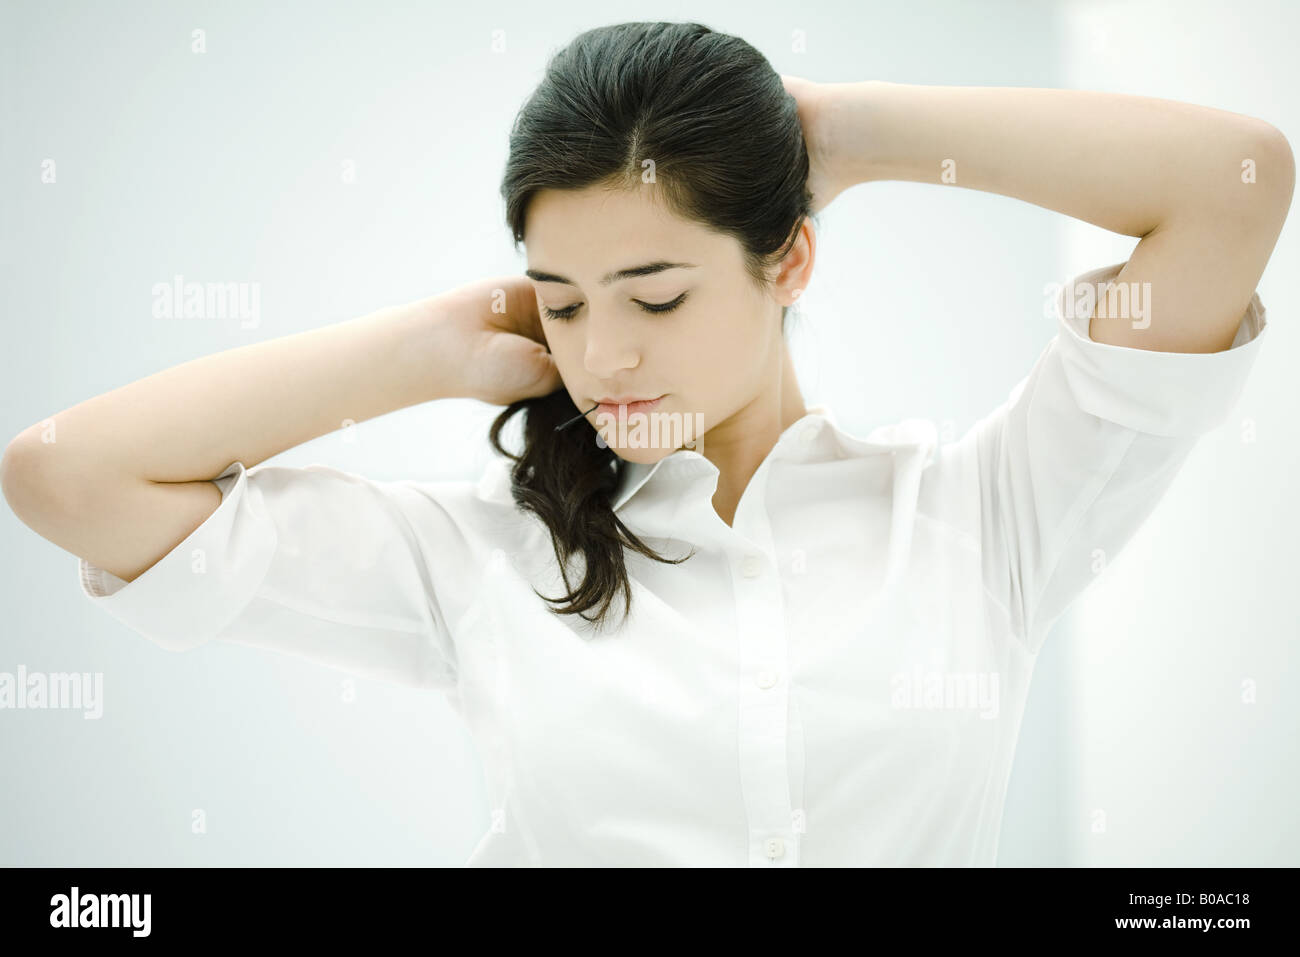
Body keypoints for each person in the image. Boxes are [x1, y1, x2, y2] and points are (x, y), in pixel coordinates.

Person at [1, 21, 1291, 867]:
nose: (602, 355)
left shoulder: (982, 519)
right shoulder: (481, 561)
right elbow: (65, 474)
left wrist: (838, 131)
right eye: (562, 301)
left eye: (658, 295)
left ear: (789, 258)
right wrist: (434, 345)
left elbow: (1232, 183)